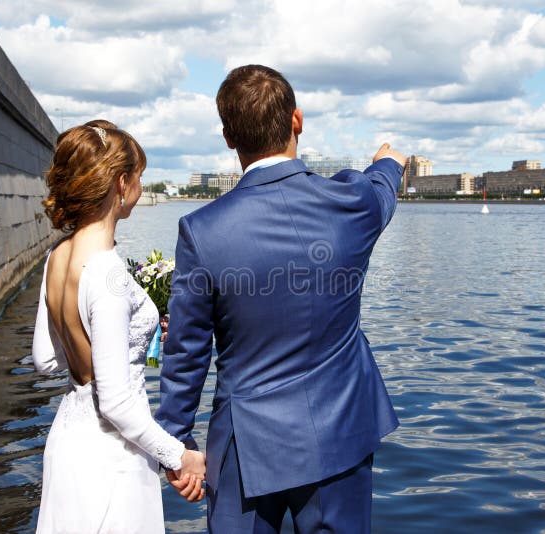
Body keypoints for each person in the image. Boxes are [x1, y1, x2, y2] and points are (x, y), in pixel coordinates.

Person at [156, 65, 407, 532]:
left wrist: (176, 441)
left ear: (230, 139)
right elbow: (382, 187)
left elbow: (186, 351)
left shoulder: (202, 230)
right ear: (297, 120)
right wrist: (390, 161)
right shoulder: (352, 204)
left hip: (245, 446)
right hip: (341, 431)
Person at [31, 120, 206, 533]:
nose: (141, 186)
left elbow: (45, 360)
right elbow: (114, 404)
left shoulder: (57, 256)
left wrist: (113, 344)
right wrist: (179, 455)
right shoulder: (105, 269)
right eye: (140, 176)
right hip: (110, 457)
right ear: (122, 183)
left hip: (68, 442)